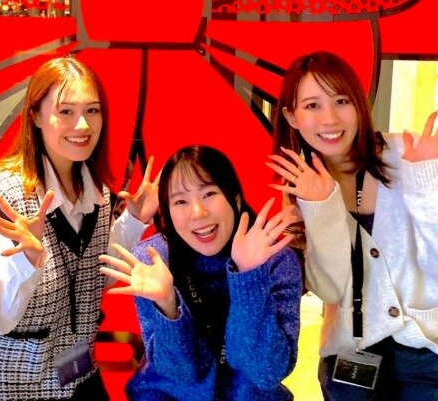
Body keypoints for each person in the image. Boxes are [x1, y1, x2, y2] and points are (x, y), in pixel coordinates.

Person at [267, 51, 438, 401]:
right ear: (292, 117)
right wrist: (320, 207)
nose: (329, 118)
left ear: (359, 104)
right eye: (312, 106)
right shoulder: (301, 185)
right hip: (352, 354)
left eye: (342, 101)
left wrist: (431, 183)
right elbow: (331, 290)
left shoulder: (411, 156)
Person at [0, 56, 159, 401]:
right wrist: (24, 261)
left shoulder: (95, 189)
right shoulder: (5, 195)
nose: (82, 125)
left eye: (93, 111)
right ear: (36, 117)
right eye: (65, 111)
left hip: (65, 372)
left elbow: (93, 271)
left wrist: (134, 220)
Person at [100, 145, 303, 401]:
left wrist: (249, 277)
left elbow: (266, 372)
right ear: (167, 211)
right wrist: (167, 305)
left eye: (209, 194)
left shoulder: (276, 260)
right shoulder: (153, 259)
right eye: (180, 201)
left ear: (235, 199)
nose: (198, 213)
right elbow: (179, 372)